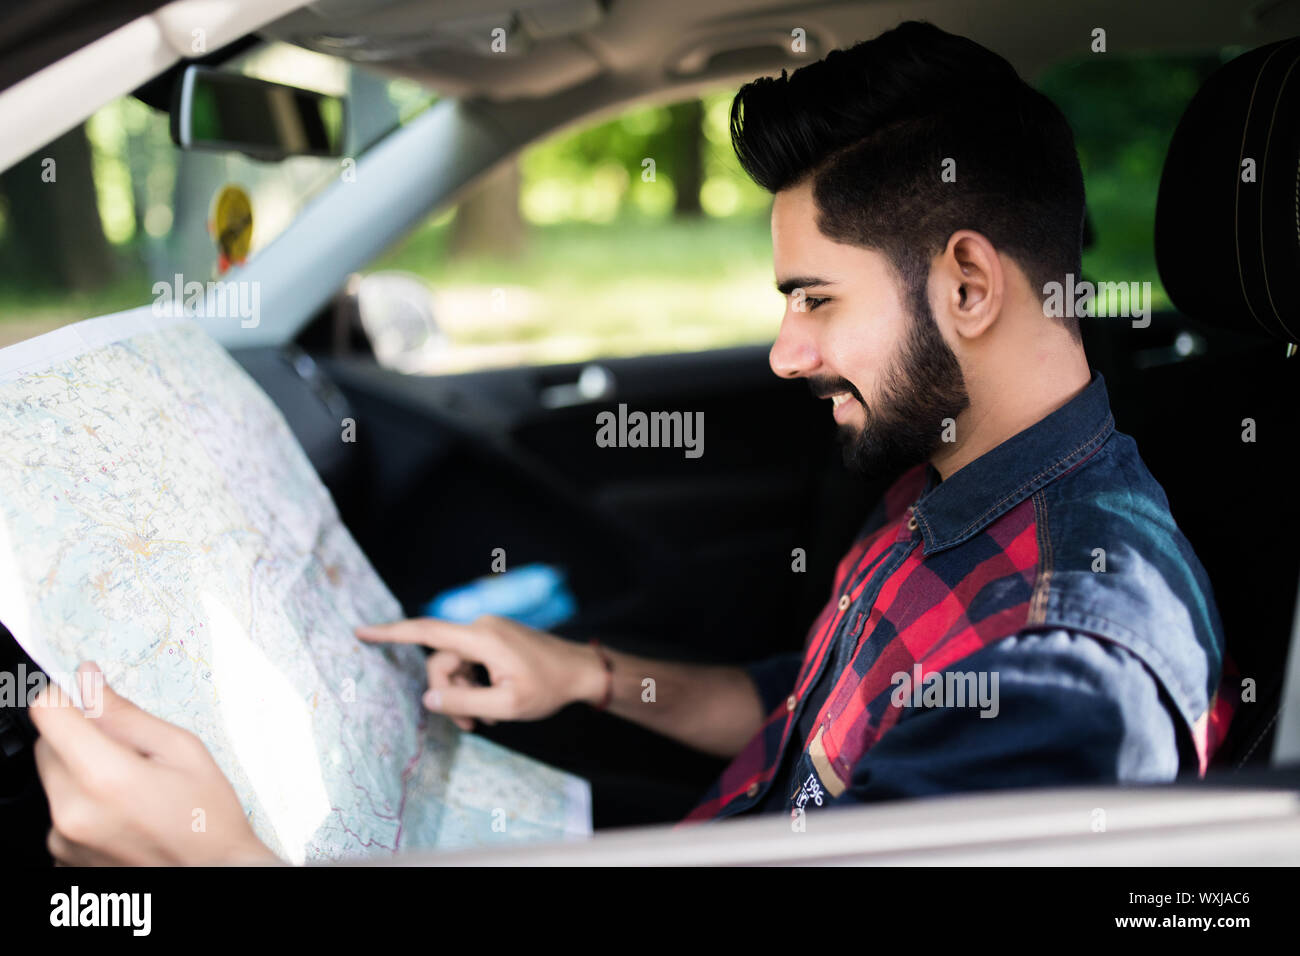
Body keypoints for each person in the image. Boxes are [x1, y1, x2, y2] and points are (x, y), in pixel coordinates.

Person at [32, 20, 1228, 864]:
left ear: (968, 284)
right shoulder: (964, 477)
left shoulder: (1065, 671)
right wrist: (587, 675)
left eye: (814, 299)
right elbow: (816, 707)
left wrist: (218, 861)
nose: (784, 352)